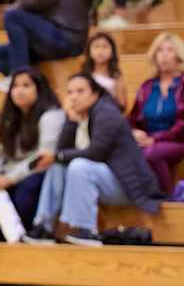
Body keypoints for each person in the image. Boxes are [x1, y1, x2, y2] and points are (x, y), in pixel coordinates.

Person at [27, 73, 163, 246]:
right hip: (104, 180)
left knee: (79, 166)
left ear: (95, 94)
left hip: (128, 186)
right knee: (58, 166)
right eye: (69, 92)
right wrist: (70, 121)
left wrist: (58, 156)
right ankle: (43, 227)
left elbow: (96, 152)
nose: (74, 97)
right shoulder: (83, 116)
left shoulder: (106, 112)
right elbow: (61, 153)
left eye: (80, 91)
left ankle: (86, 230)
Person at [0, 67, 65, 241]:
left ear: (39, 89)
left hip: (40, 171)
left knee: (26, 190)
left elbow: (44, 157)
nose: (19, 91)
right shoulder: (7, 117)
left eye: (26, 85)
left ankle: (27, 239)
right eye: (15, 86)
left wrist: (10, 179)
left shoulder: (52, 115)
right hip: (10, 173)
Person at [128, 32, 184, 195]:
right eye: (160, 50)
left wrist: (155, 139)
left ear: (178, 56)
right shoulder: (147, 86)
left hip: (177, 140)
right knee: (138, 152)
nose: (164, 55)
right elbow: (133, 119)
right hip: (148, 141)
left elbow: (182, 124)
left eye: (169, 50)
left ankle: (167, 201)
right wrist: (135, 132)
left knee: (151, 153)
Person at [82, 32, 127, 111]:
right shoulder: (83, 76)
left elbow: (122, 104)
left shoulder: (116, 76)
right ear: (89, 52)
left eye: (105, 46)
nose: (100, 51)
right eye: (96, 46)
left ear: (112, 52)